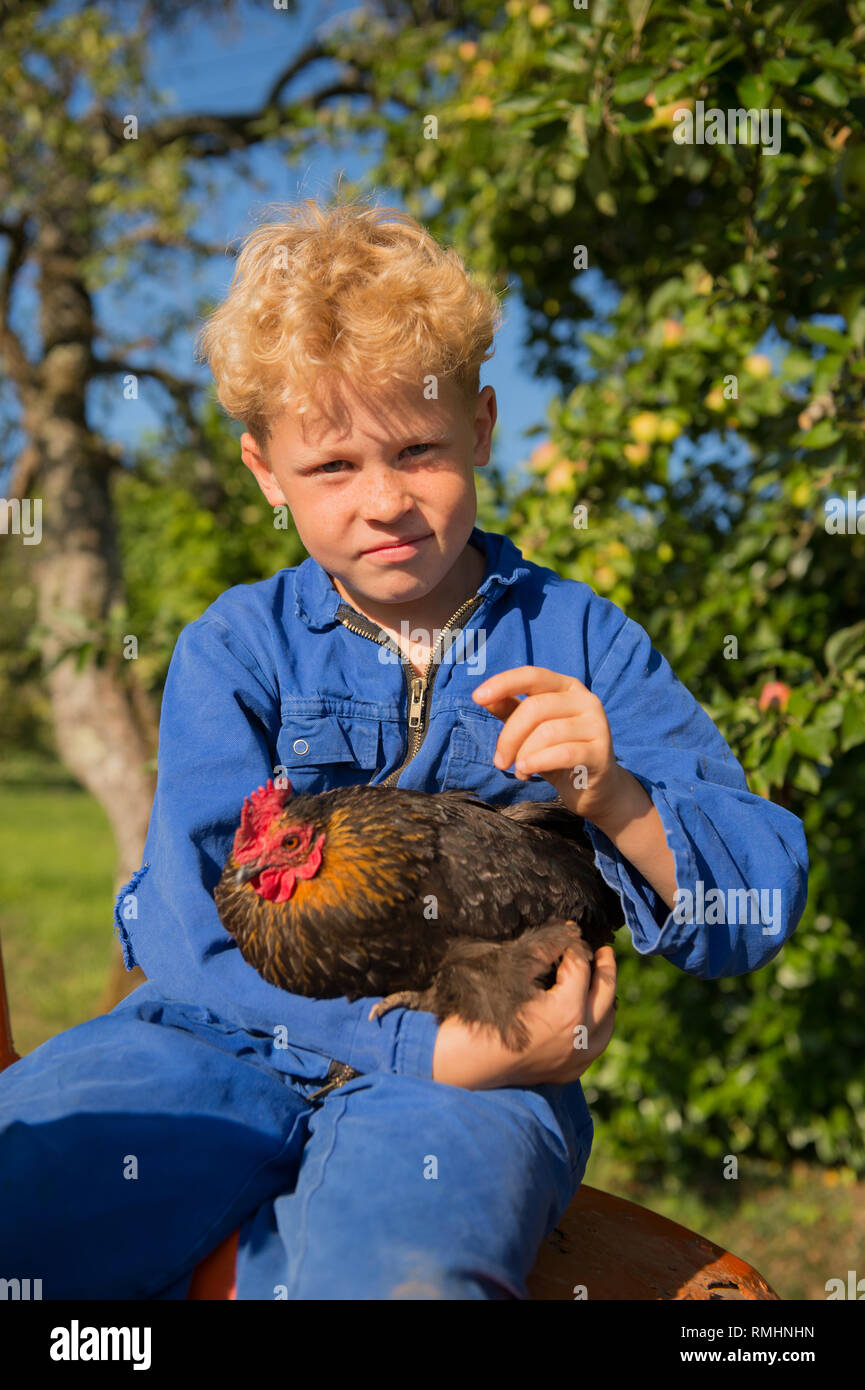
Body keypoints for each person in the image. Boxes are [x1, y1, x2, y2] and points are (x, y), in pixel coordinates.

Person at [0, 199, 808, 1300]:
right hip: (212, 1033)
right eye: (331, 465)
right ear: (265, 474)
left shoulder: (580, 638)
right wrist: (413, 1049)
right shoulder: (237, 646)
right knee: (29, 1200)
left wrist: (613, 795)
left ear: (480, 427)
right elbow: (190, 931)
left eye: (417, 449)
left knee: (401, 1278)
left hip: (476, 1071)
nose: (384, 499)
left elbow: (754, 904)